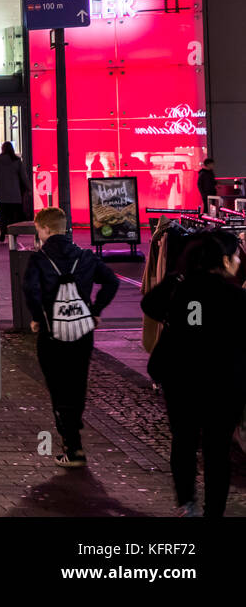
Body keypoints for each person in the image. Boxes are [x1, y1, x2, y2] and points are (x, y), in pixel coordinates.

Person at [141, 229, 246, 517]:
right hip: (223, 383)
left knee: (184, 442)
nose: (238, 260)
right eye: (236, 255)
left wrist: (178, 320)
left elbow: (148, 304)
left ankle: (187, 503)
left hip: (180, 377)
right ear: (224, 261)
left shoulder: (179, 283)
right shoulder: (236, 295)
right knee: (217, 449)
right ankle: (214, 512)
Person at [24, 206, 119, 468]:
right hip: (82, 330)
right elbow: (111, 281)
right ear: (64, 227)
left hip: (52, 332)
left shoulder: (39, 258)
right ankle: (74, 424)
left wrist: (37, 319)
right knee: (77, 382)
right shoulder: (85, 256)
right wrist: (96, 311)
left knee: (57, 384)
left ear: (43, 229)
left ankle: (72, 443)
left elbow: (30, 290)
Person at [0, 142, 32, 240]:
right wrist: (29, 188)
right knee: (14, 214)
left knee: (2, 214)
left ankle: (2, 231)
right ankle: (13, 233)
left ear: (2, 149)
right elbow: (24, 176)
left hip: (2, 192)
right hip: (15, 192)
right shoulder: (17, 160)